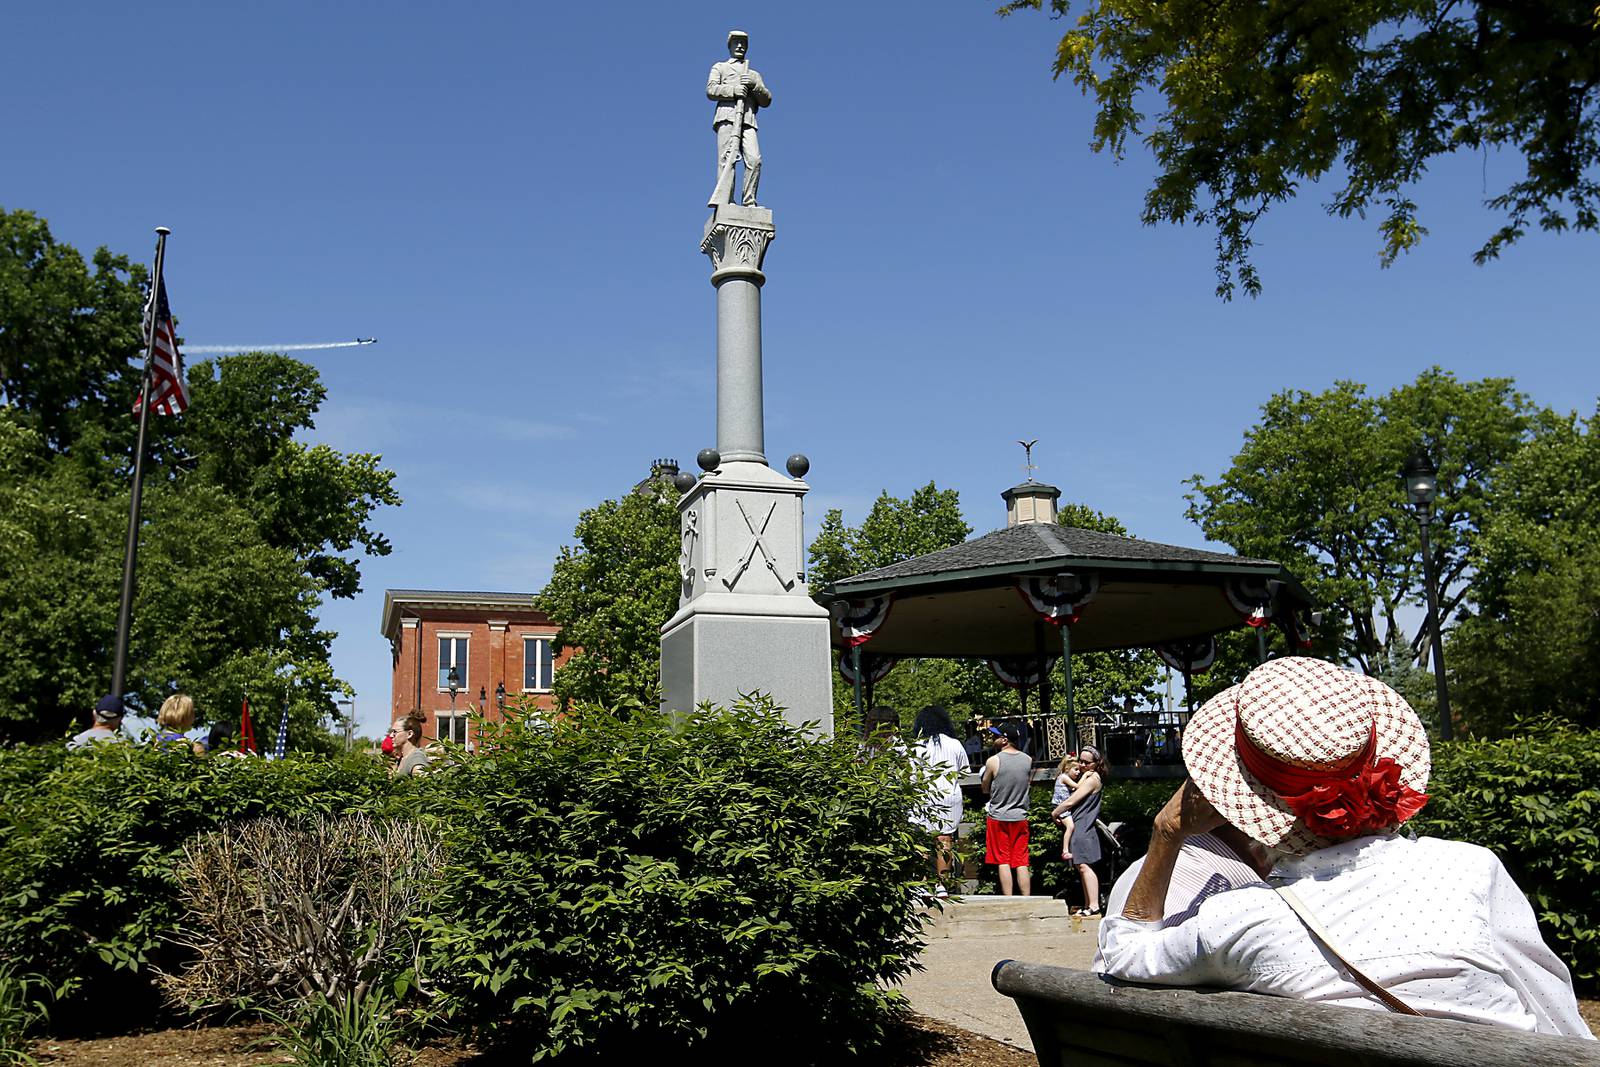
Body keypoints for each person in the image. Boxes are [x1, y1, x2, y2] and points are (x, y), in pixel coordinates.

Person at [1098, 656, 1594, 1038]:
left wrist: (1167, 832)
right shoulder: (1470, 869)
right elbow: (1551, 1004)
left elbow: (1122, 953)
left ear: (1238, 797)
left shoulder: (1238, 919)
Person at [706, 29, 772, 207]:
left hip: (748, 120)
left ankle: (749, 200)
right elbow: (711, 90)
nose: (740, 46)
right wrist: (733, 90)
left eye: (743, 43)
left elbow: (767, 100)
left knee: (754, 159)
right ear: (730, 46)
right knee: (727, 159)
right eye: (736, 42)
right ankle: (726, 200)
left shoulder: (754, 75)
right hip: (727, 117)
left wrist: (755, 86)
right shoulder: (720, 67)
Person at [911, 705, 968, 895]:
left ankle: (922, 883)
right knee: (944, 839)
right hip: (949, 796)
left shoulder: (917, 747)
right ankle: (942, 884)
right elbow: (964, 772)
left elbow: (912, 775)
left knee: (922, 839)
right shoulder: (955, 744)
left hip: (925, 795)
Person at [1051, 745, 1107, 915]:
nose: (1082, 765)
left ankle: (1094, 905)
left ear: (1096, 763)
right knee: (1081, 866)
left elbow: (1071, 801)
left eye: (1086, 762)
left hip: (1083, 826)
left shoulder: (1092, 779)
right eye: (1080, 761)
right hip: (1080, 825)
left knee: (1083, 866)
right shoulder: (1089, 777)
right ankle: (1089, 904)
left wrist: (1055, 812)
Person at [980, 721, 1033, 896]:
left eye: (996, 735)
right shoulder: (1027, 760)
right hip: (1020, 816)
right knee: (1021, 861)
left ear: (1004, 740)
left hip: (998, 816)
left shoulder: (993, 761)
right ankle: (1027, 899)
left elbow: (985, 787)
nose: (993, 738)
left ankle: (1008, 898)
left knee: (1003, 860)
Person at [1049, 753, 1081, 862]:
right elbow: (1078, 787)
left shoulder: (1063, 778)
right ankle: (1065, 851)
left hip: (1060, 806)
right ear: (1067, 768)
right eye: (1076, 769)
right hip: (1061, 806)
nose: (1078, 772)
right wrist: (1086, 777)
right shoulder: (1064, 777)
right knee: (1070, 826)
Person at [390, 713, 430, 777]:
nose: (391, 735)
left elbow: (425, 784)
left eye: (395, 732)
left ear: (409, 734)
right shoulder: (404, 758)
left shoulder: (416, 759)